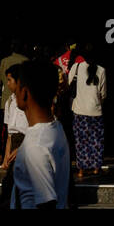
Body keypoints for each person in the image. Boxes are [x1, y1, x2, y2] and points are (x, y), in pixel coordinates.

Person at [10, 59, 71, 209]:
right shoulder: (56, 128)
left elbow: (46, 203)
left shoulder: (35, 146)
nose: (14, 92)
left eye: (16, 87)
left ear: (24, 93)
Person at [68, 45, 106, 179]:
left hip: (79, 111)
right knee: (96, 140)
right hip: (96, 111)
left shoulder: (76, 67)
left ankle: (81, 170)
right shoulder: (101, 70)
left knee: (81, 141)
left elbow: (69, 84)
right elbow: (103, 94)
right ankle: (96, 168)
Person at [0, 63, 29, 169]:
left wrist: (22, 148)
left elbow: (35, 130)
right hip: (14, 144)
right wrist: (6, 157)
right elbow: (9, 135)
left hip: (27, 142)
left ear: (19, 81)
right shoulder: (9, 102)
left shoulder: (29, 102)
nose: (7, 84)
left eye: (9, 80)